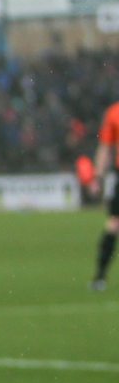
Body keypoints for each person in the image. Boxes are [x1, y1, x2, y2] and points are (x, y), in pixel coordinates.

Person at [88, 98, 119, 292]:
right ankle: (100, 276)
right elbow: (105, 147)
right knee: (114, 224)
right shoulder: (114, 113)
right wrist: (97, 177)